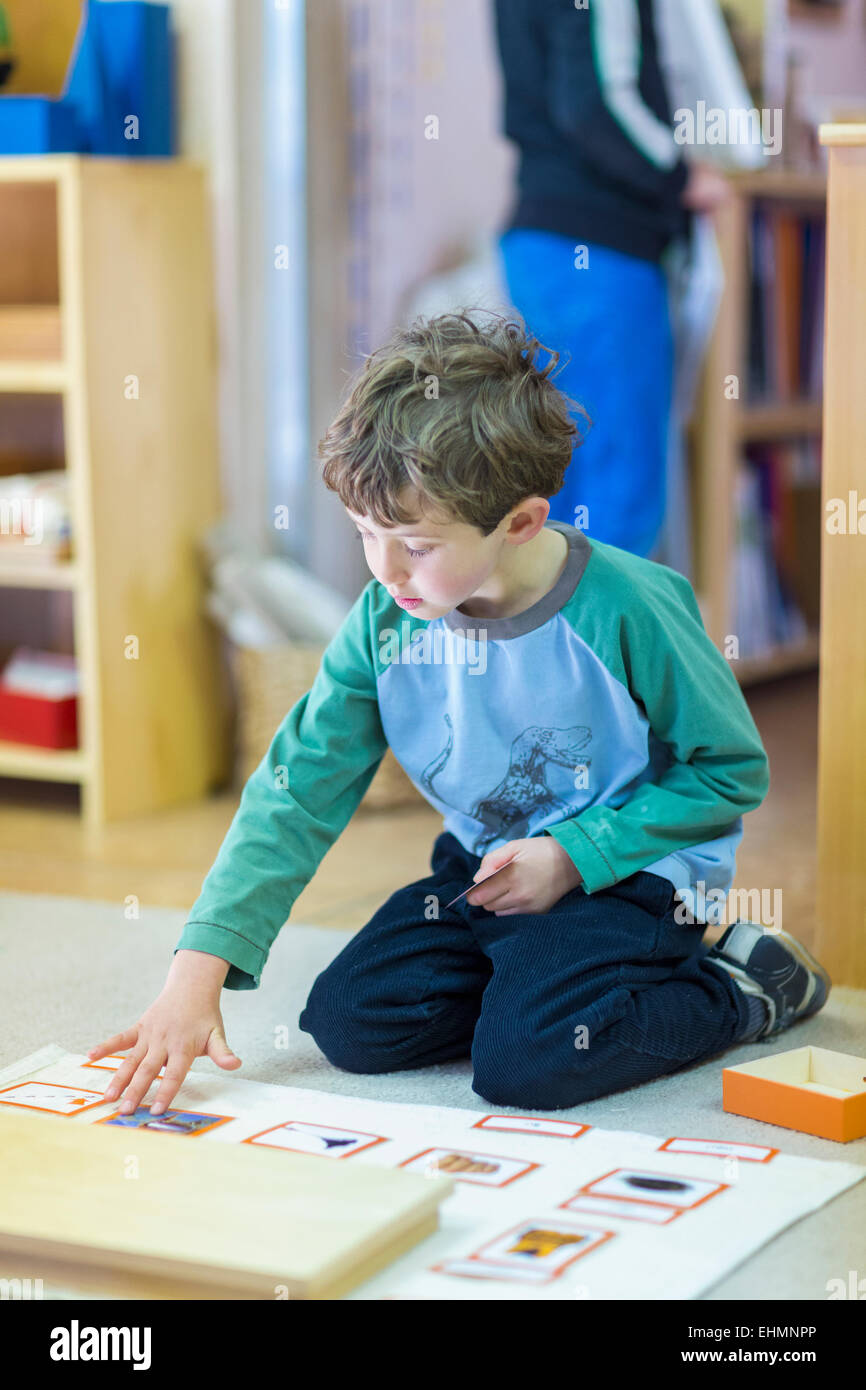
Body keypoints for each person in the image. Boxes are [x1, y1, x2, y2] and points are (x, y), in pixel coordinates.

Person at [88, 314, 829, 1115]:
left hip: (633, 877)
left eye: (415, 542)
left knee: (528, 1064)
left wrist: (576, 856)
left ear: (521, 523)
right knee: (351, 1025)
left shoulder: (630, 608)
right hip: (485, 872)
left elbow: (729, 771)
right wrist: (195, 974)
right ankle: (542, 984)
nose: (384, 567)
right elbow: (297, 789)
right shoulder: (383, 619)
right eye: (367, 532)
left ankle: (739, 987)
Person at [493, 0, 729, 557]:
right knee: (617, 499)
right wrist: (678, 172)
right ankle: (606, 645)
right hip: (601, 253)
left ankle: (563, 643)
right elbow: (594, 101)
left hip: (544, 246)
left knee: (552, 501)